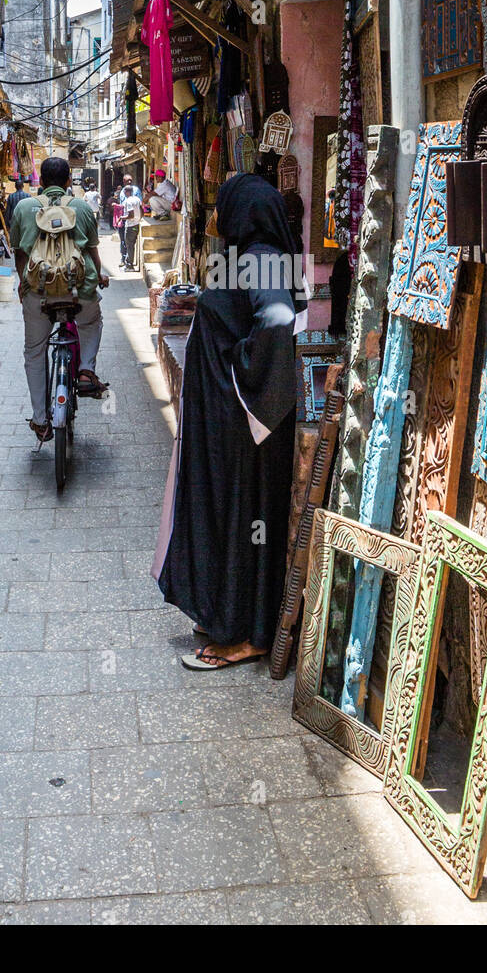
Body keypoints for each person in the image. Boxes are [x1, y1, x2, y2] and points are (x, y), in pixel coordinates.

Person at [155, 173, 307, 669]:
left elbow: (278, 321)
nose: (216, 217)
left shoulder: (261, 257)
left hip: (243, 429)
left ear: (244, 212)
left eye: (223, 206)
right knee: (234, 519)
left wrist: (237, 370)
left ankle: (246, 633)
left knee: (244, 521)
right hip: (235, 424)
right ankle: (227, 614)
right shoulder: (253, 257)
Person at [10, 156, 110, 440]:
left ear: (40, 182)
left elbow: (19, 253)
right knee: (90, 323)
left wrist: (23, 283)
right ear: (68, 181)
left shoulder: (24, 207)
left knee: (34, 351)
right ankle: (86, 371)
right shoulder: (82, 207)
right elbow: (92, 252)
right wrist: (98, 275)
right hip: (80, 289)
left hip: (38, 291)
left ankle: (40, 420)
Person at [119, 183, 141, 269]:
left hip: (130, 226)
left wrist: (122, 217)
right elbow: (141, 211)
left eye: (125, 191)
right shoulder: (137, 199)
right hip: (136, 225)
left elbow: (131, 215)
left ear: (127, 192)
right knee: (131, 245)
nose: (124, 193)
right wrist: (138, 219)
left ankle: (129, 265)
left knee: (129, 245)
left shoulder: (128, 201)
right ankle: (129, 263)